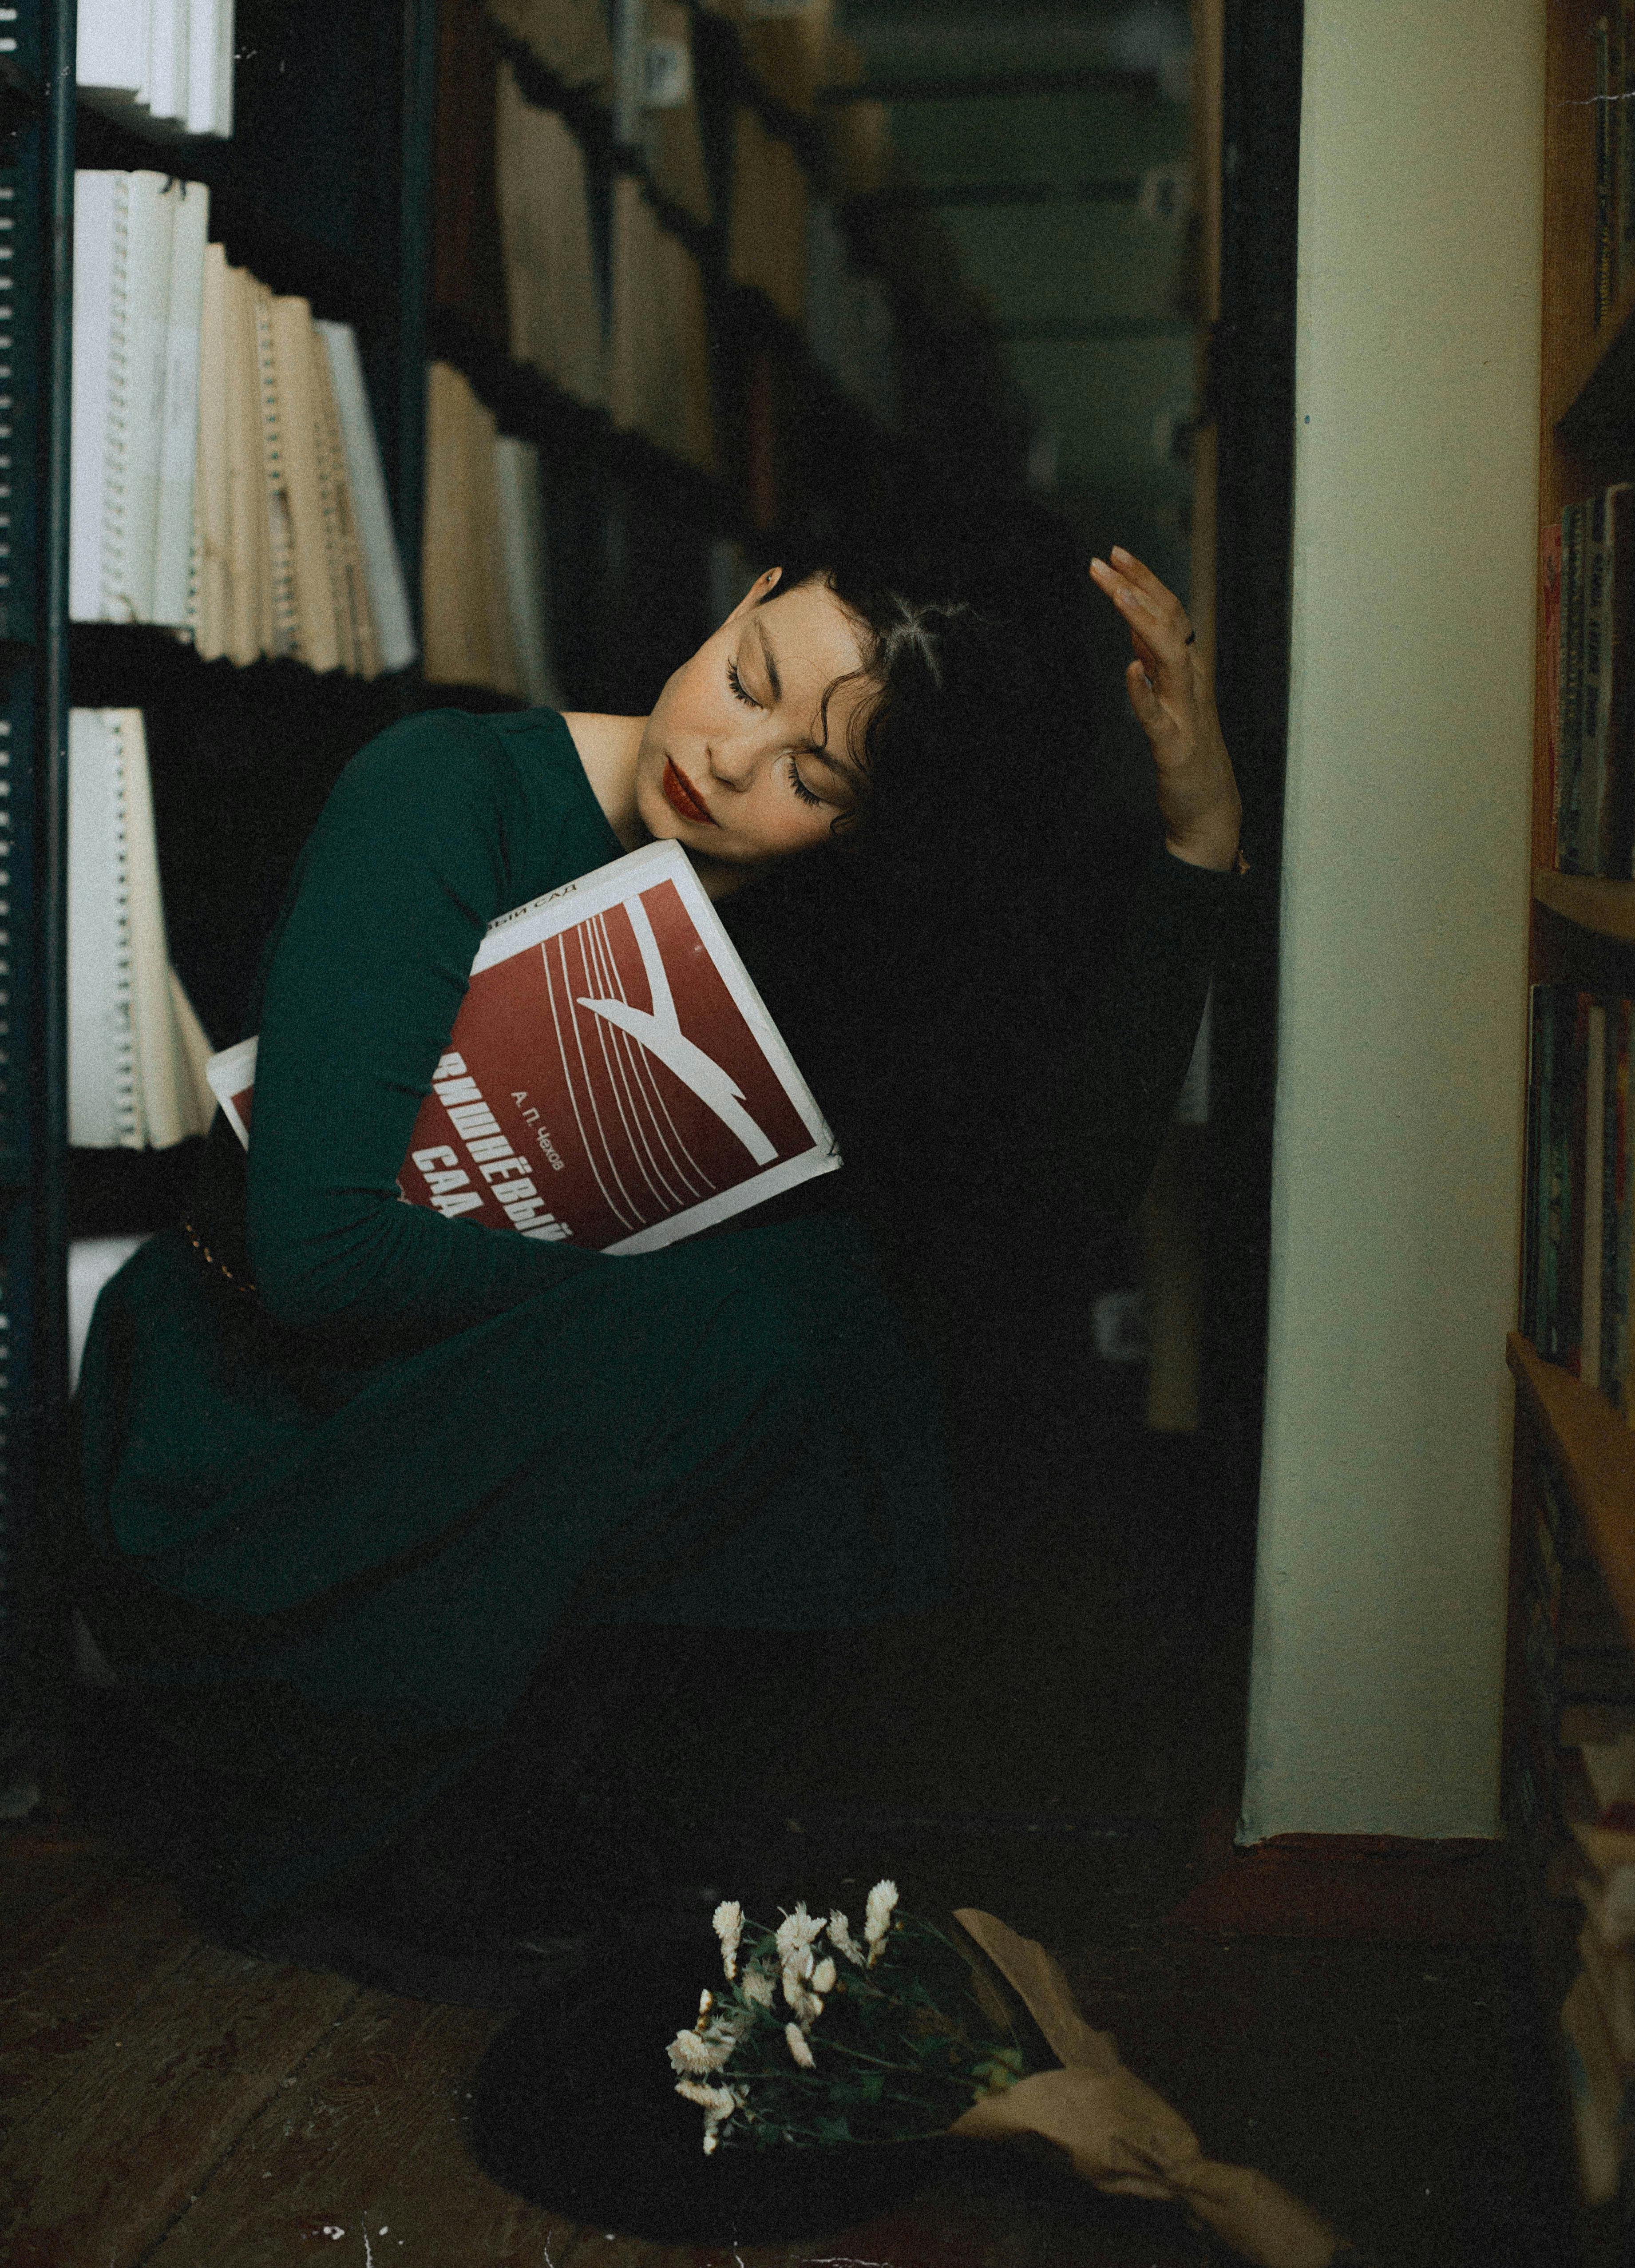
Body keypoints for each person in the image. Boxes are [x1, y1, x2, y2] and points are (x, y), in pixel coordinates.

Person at [69, 534, 1244, 1998]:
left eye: (813, 780)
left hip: (454, 1443)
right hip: (241, 1440)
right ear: (742, 599)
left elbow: (1046, 1222)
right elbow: (313, 1259)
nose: (728, 756)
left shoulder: (812, 932)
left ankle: (582, 1800)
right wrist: (673, 1310)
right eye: (748, 679)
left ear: (867, 829)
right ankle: (369, 1810)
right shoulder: (442, 791)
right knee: (776, 1311)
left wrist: (1196, 846)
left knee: (856, 1316)